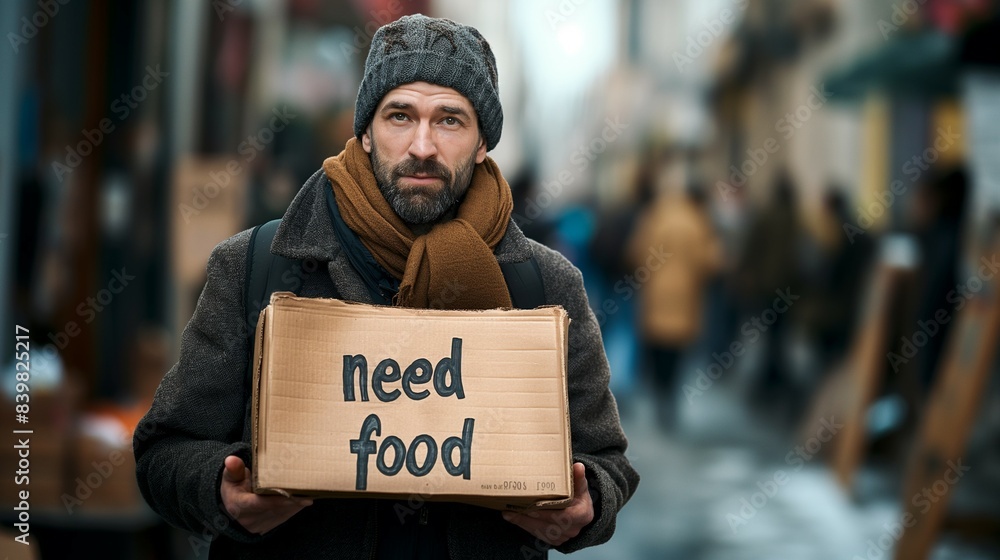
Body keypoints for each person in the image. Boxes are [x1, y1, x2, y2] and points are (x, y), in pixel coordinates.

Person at [133, 14, 638, 559]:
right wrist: (219, 490)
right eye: (400, 116)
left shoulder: (545, 285)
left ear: (483, 144)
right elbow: (164, 451)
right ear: (367, 134)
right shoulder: (257, 266)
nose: (422, 145)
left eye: (450, 120)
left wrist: (588, 507)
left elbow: (606, 461)